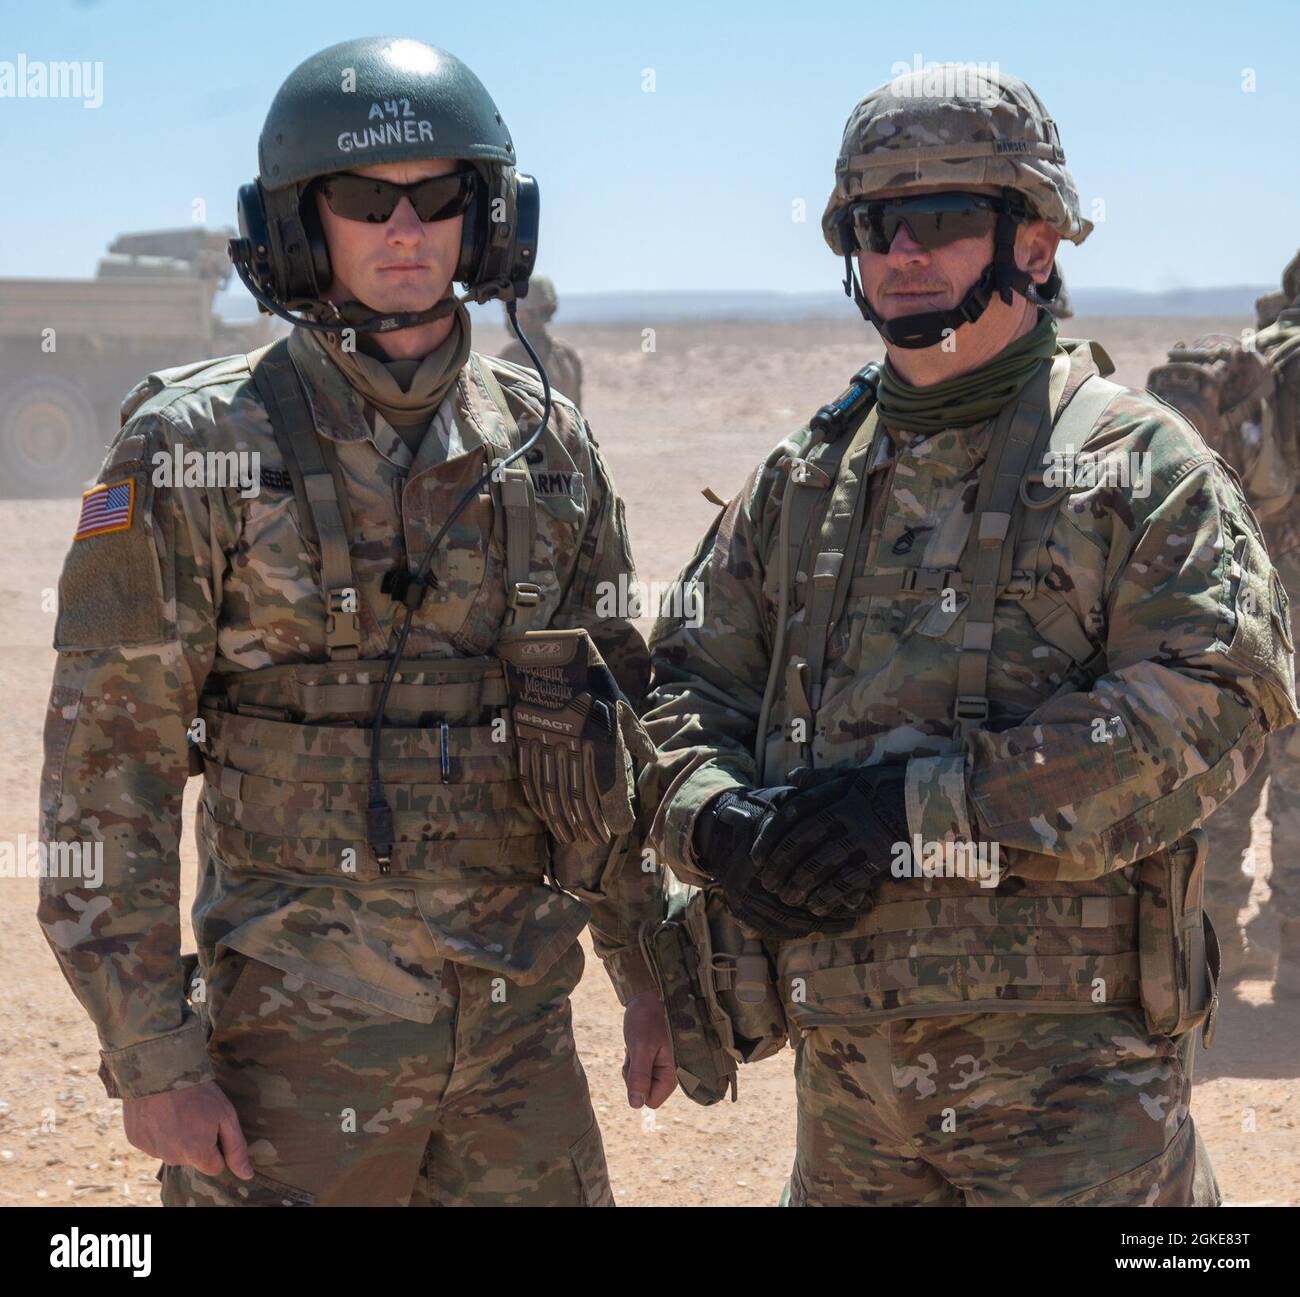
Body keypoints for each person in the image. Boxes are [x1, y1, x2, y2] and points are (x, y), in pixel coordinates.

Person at [639, 65, 1298, 1206]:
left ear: (1034, 245)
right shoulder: (804, 481)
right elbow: (677, 686)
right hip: (849, 1105)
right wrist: (720, 822)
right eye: (871, 224)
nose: (901, 252)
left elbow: (1212, 705)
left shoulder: (1139, 468)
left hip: (1078, 1106)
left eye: (940, 219)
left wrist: (912, 814)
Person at [37, 36, 673, 1208]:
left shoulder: (550, 451)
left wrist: (646, 969)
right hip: (288, 1057)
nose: (404, 226)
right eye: (362, 198)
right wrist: (151, 1057)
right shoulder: (195, 449)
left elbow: (608, 743)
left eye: (439, 194)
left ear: (488, 219)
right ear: (296, 225)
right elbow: (105, 774)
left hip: (515, 1049)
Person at [1148, 253, 1300, 990]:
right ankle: (1298, 961)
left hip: (1240, 599)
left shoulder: (1251, 365)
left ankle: (1217, 944)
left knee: (1231, 779)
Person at [498, 275, 584, 407]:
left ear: (535, 314)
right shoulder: (567, 354)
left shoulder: (508, 360)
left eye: (517, 312)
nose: (510, 316)